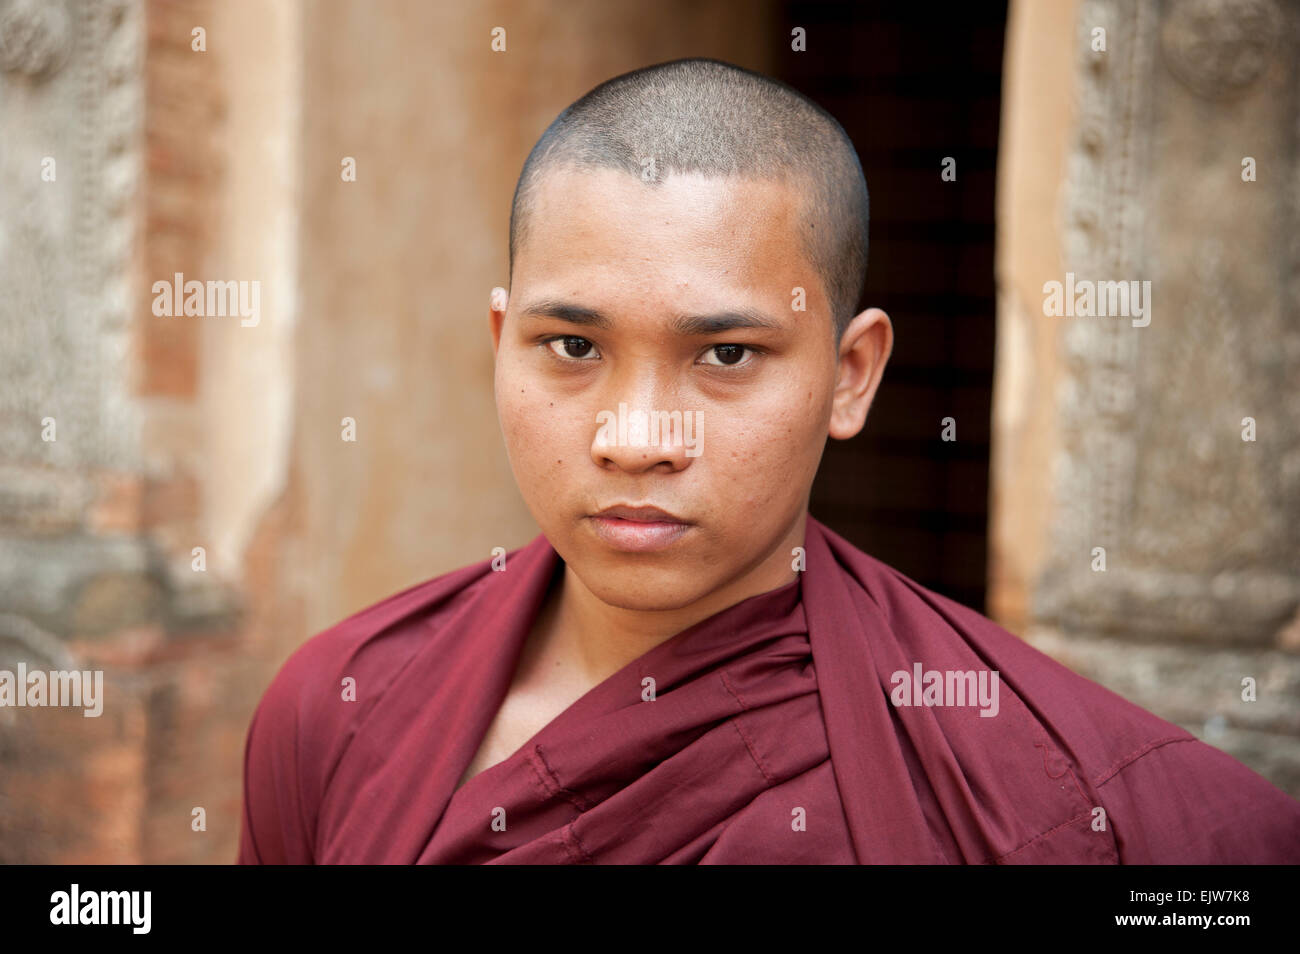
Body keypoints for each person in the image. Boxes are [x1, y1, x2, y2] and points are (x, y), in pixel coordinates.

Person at [238, 57, 1300, 864]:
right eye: (572, 348)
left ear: (850, 375)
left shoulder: (1028, 783)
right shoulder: (338, 709)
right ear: (500, 343)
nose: (636, 439)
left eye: (726, 355)